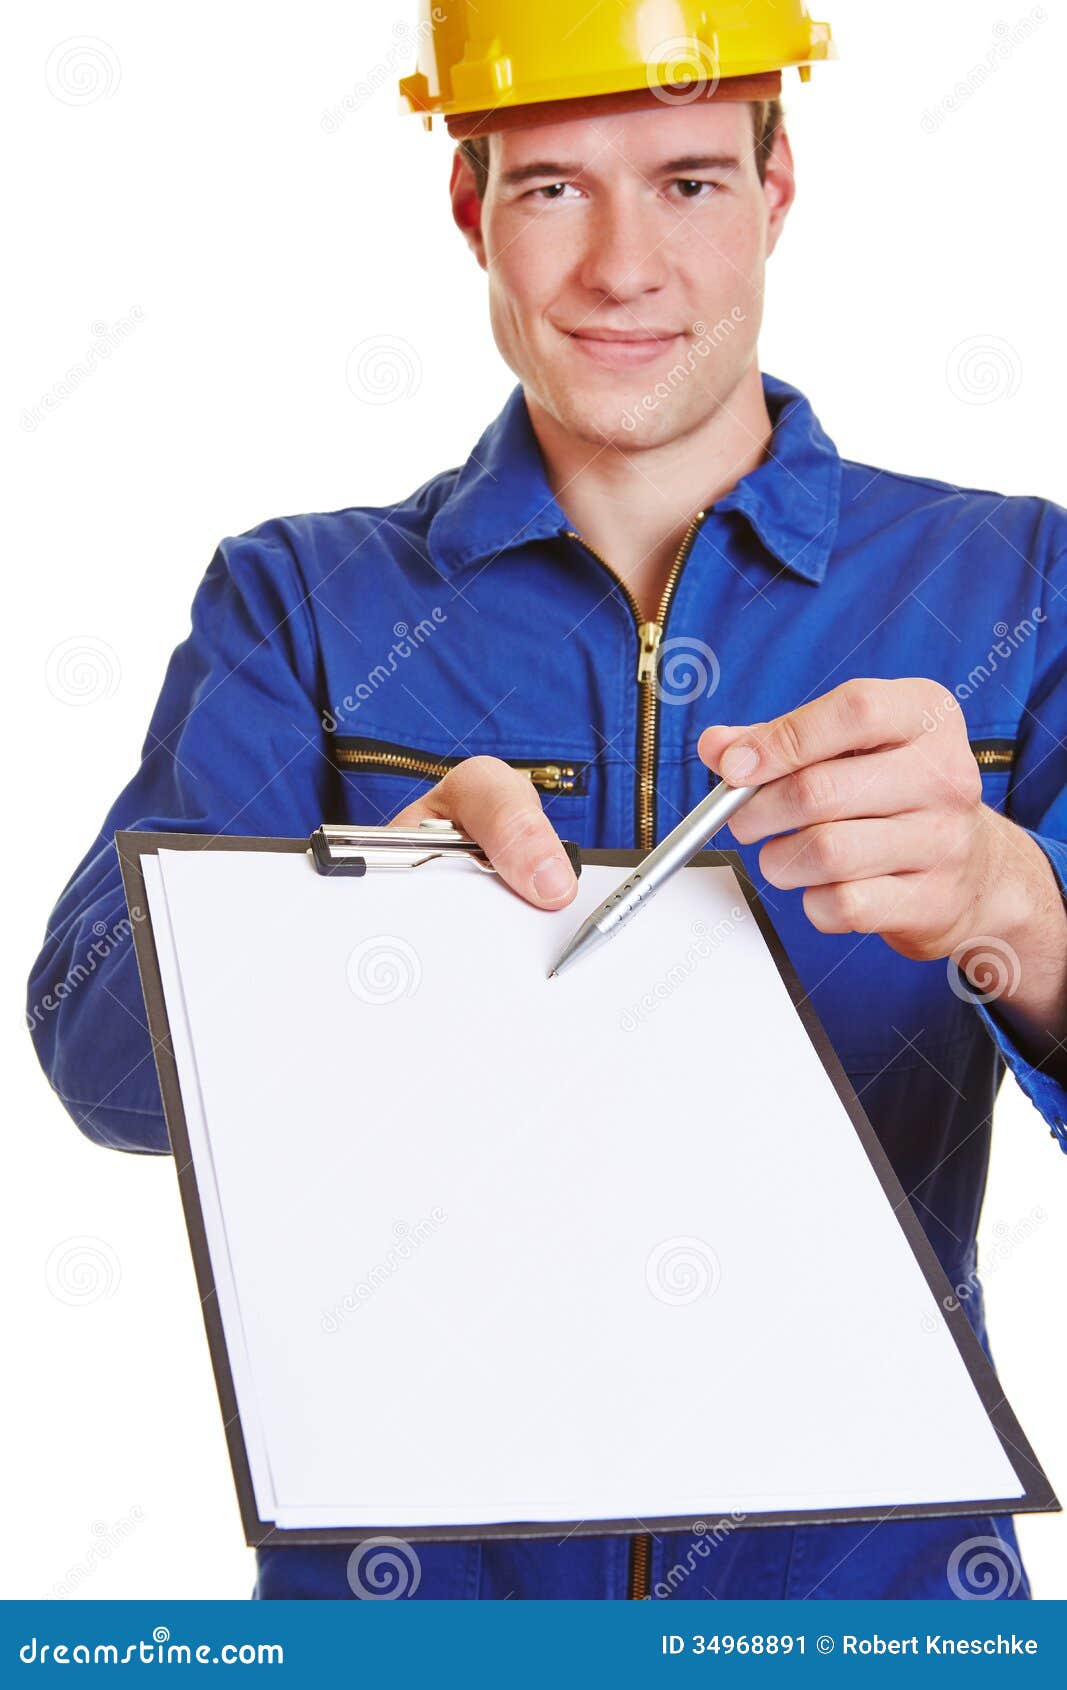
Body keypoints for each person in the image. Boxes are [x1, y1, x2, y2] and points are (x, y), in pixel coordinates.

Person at [28, 2, 1067, 1601]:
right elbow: (96, 1061)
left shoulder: (1009, 586)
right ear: (471, 207)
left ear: (781, 184)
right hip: (418, 1620)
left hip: (873, 1609)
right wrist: (347, 931)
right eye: (554, 188)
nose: (624, 268)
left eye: (692, 184)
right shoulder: (305, 607)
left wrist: (1018, 912)